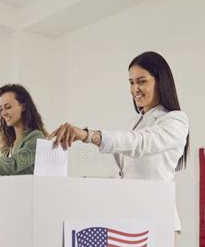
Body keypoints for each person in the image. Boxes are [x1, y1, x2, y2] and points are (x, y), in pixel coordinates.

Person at [48, 51, 189, 231]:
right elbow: (124, 171)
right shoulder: (134, 122)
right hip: (129, 219)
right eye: (131, 83)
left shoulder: (176, 120)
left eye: (141, 81)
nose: (134, 89)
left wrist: (89, 135)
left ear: (161, 82)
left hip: (159, 222)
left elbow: (140, 143)